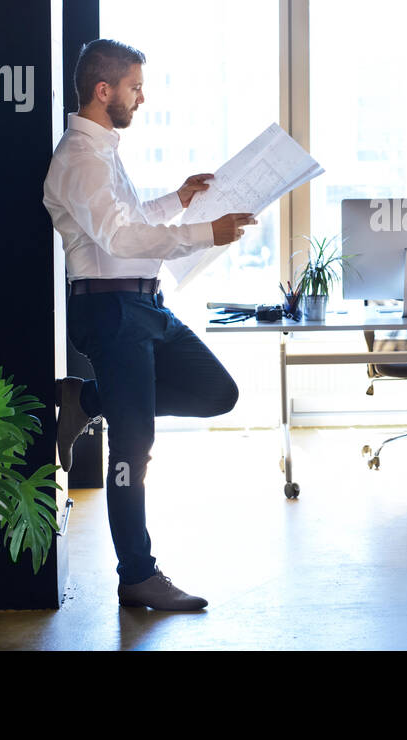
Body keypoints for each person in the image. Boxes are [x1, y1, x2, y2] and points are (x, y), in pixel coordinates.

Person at [42, 38, 255, 611]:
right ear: (103, 90)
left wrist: (179, 200)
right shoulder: (81, 159)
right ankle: (137, 575)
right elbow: (118, 238)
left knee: (216, 391)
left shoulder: (104, 151)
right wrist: (204, 233)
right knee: (134, 444)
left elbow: (130, 220)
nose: (143, 97)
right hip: (110, 310)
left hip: (143, 303)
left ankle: (88, 400)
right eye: (135, 87)